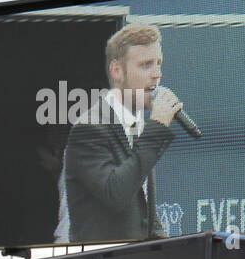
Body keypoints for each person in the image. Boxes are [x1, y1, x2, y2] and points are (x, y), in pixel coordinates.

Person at [62, 24, 183, 243]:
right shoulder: (90, 128)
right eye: (146, 65)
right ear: (117, 71)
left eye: (158, 64)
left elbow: (145, 216)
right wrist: (157, 130)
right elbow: (116, 194)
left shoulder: (138, 128)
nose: (157, 75)